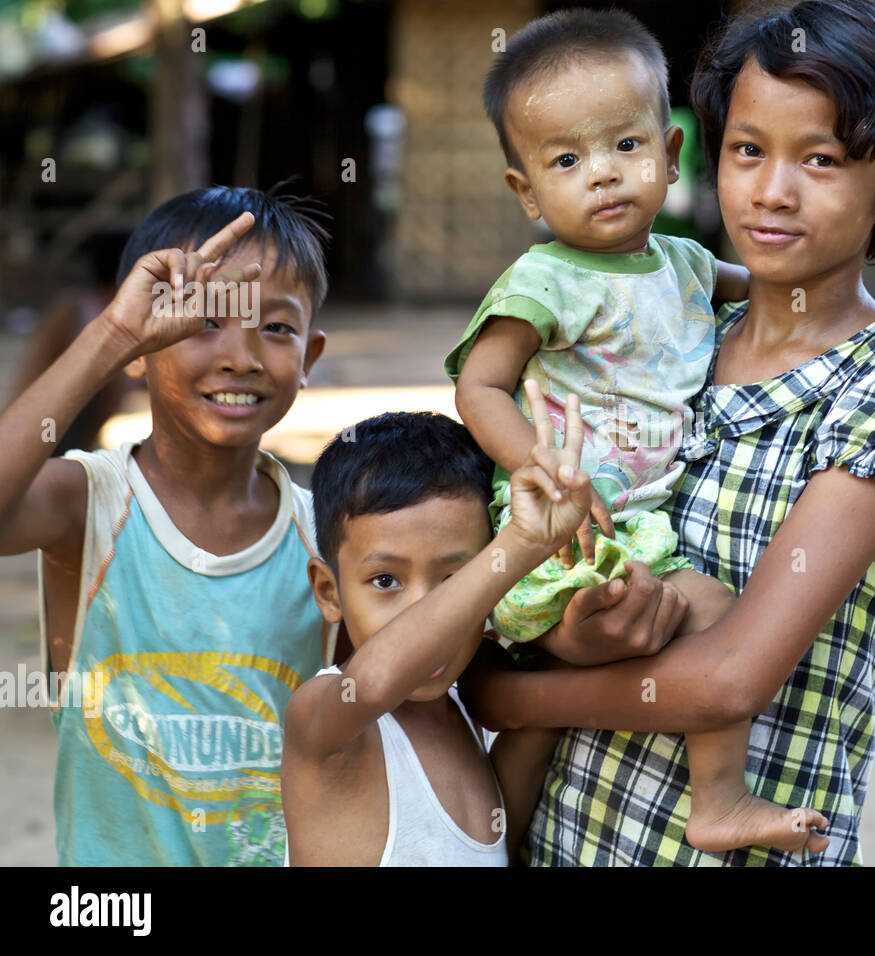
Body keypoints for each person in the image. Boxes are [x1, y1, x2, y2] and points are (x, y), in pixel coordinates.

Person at [459, 0, 875, 866]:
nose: (772, 190)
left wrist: (508, 699)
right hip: (564, 834)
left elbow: (732, 675)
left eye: (823, 159)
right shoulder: (677, 335)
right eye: (749, 150)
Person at [446, 7, 830, 853]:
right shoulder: (544, 279)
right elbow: (480, 384)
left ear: (671, 152)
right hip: (558, 526)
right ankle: (507, 845)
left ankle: (702, 802)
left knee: (570, 695)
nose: (604, 176)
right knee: (676, 623)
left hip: (637, 527)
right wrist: (533, 464)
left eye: (626, 147)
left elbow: (770, 287)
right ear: (526, 191)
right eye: (567, 160)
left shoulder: (690, 264)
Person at [0, 185, 335, 865]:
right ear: (140, 344)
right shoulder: (88, 504)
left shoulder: (324, 537)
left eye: (276, 328)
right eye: (204, 321)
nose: (241, 355)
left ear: (310, 356)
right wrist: (112, 334)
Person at [281, 397, 593, 865]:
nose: (424, 612)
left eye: (454, 581)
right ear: (329, 592)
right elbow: (376, 681)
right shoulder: (323, 718)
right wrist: (523, 542)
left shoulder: (474, 721)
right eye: (385, 581)